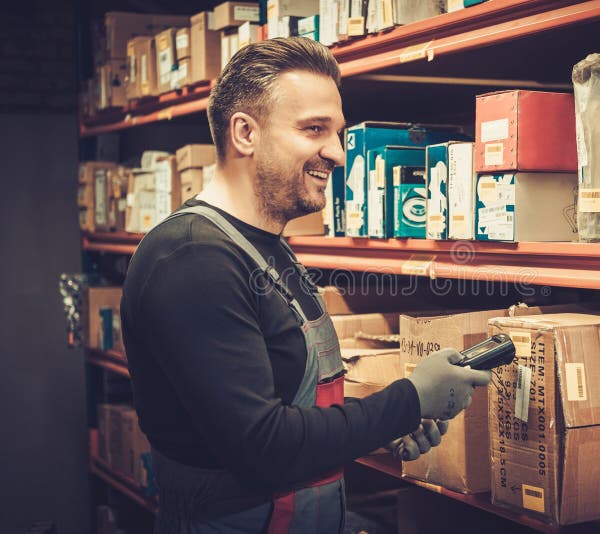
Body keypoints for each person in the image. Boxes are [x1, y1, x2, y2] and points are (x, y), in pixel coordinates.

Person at [120, 37, 490, 534]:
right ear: (245, 133)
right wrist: (408, 400)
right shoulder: (192, 259)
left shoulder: (266, 247)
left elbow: (297, 412)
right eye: (314, 129)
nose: (337, 153)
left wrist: (384, 428)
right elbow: (262, 448)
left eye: (337, 132)